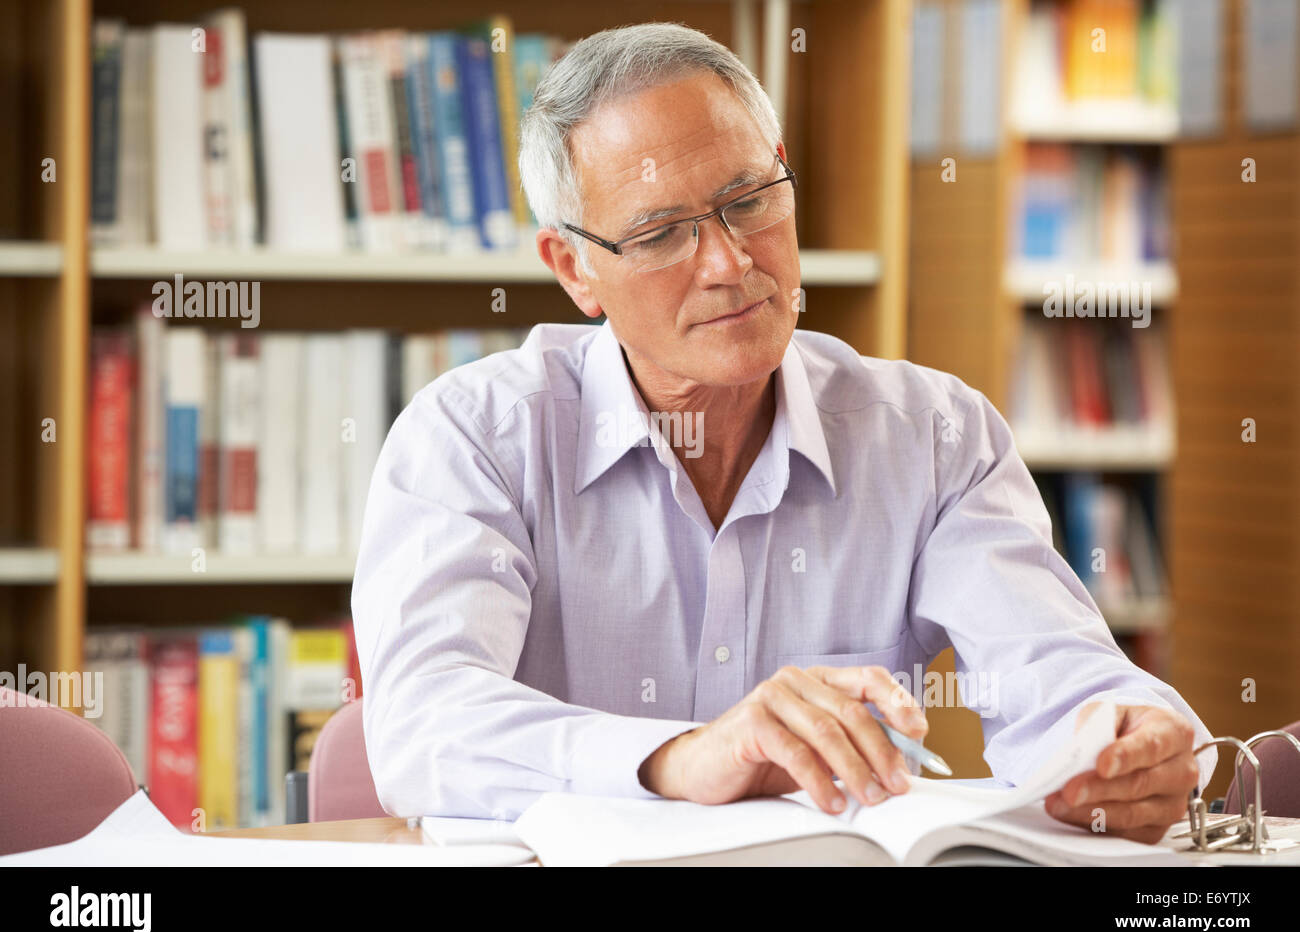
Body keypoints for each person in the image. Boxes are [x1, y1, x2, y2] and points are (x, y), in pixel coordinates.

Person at [351, 22, 1213, 844]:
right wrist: (686, 757)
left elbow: (1057, 681)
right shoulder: (474, 438)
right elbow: (425, 723)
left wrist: (1127, 739)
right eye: (660, 234)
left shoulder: (934, 437)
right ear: (576, 269)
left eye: (749, 201)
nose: (730, 263)